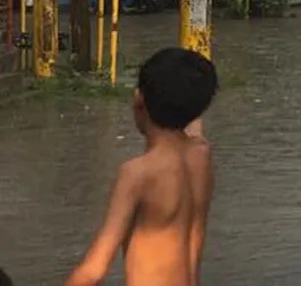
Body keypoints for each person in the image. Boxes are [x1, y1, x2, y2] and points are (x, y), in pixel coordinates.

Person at [66, 47, 218, 286]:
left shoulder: (138, 174)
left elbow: (93, 270)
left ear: (139, 100)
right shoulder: (201, 155)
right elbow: (193, 120)